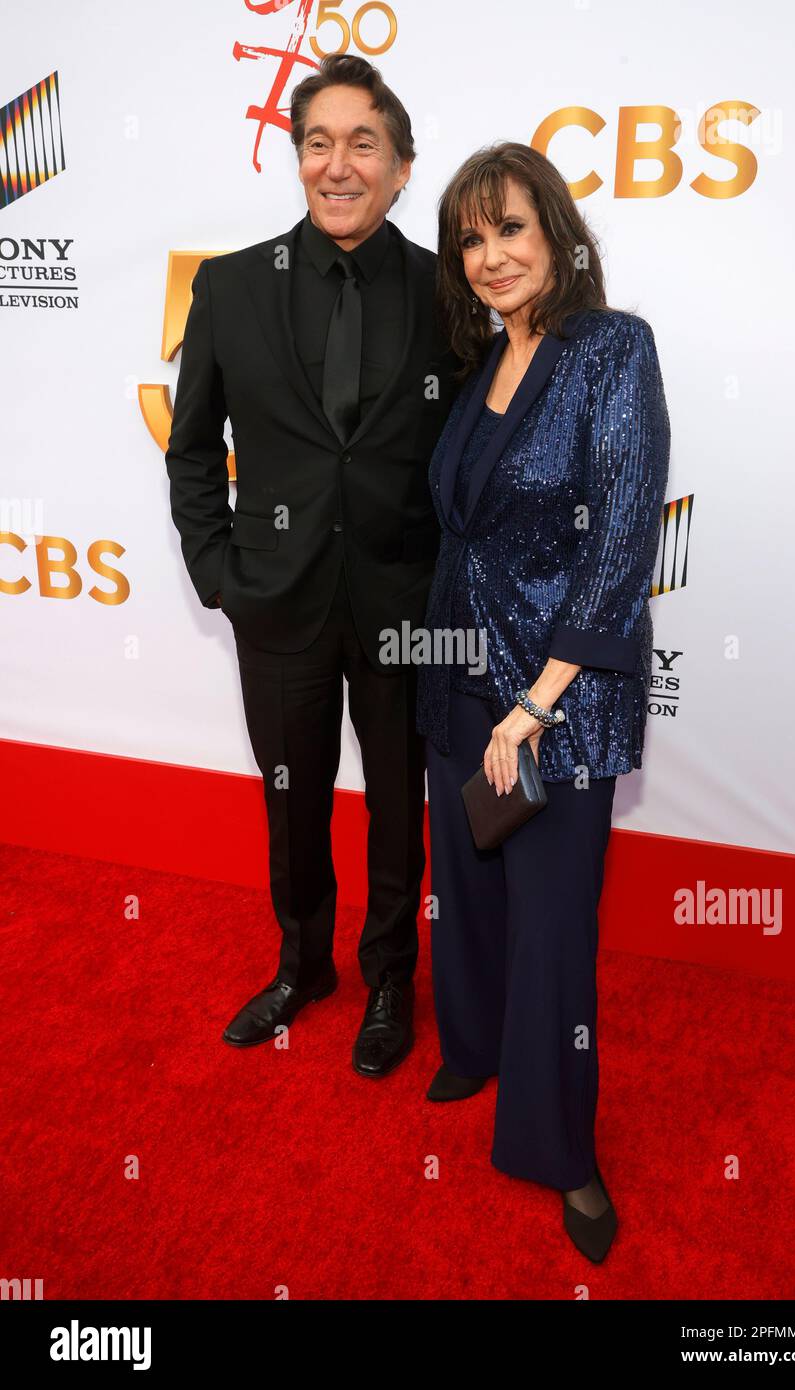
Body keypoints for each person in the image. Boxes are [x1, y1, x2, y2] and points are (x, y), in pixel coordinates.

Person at [165, 54, 459, 1077]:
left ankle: (388, 978)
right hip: (274, 602)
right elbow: (193, 444)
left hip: (404, 602)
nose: (338, 165)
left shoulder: (447, 289)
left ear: (400, 166)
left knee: (394, 800)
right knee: (290, 793)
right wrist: (218, 574)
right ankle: (303, 964)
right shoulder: (233, 286)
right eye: (317, 143)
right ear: (297, 160)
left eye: (361, 143)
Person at [416, 142, 670, 1260]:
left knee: (555, 929)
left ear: (557, 233)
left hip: (556, 701)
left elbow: (619, 542)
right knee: (464, 886)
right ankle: (470, 1047)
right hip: (459, 674)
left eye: (508, 228)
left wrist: (535, 702)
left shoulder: (610, 348)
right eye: (469, 237)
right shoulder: (481, 363)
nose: (488, 255)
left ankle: (560, 1148)